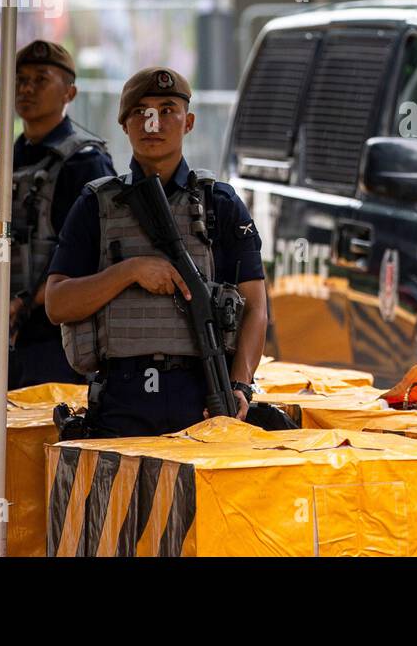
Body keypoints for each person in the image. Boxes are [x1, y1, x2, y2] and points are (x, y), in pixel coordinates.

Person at [44, 67, 281, 437]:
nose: (152, 121)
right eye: (140, 111)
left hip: (202, 394)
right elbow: (57, 303)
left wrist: (239, 386)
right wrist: (129, 271)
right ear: (124, 124)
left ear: (189, 122)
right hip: (121, 397)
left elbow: (255, 307)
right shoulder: (96, 204)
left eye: (167, 109)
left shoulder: (220, 204)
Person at [0, 39, 115, 399]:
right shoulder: (3, 160)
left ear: (70, 92)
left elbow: (92, 253)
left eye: (40, 79)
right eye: (20, 80)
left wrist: (27, 302)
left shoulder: (84, 162)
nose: (27, 89)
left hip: (58, 347)